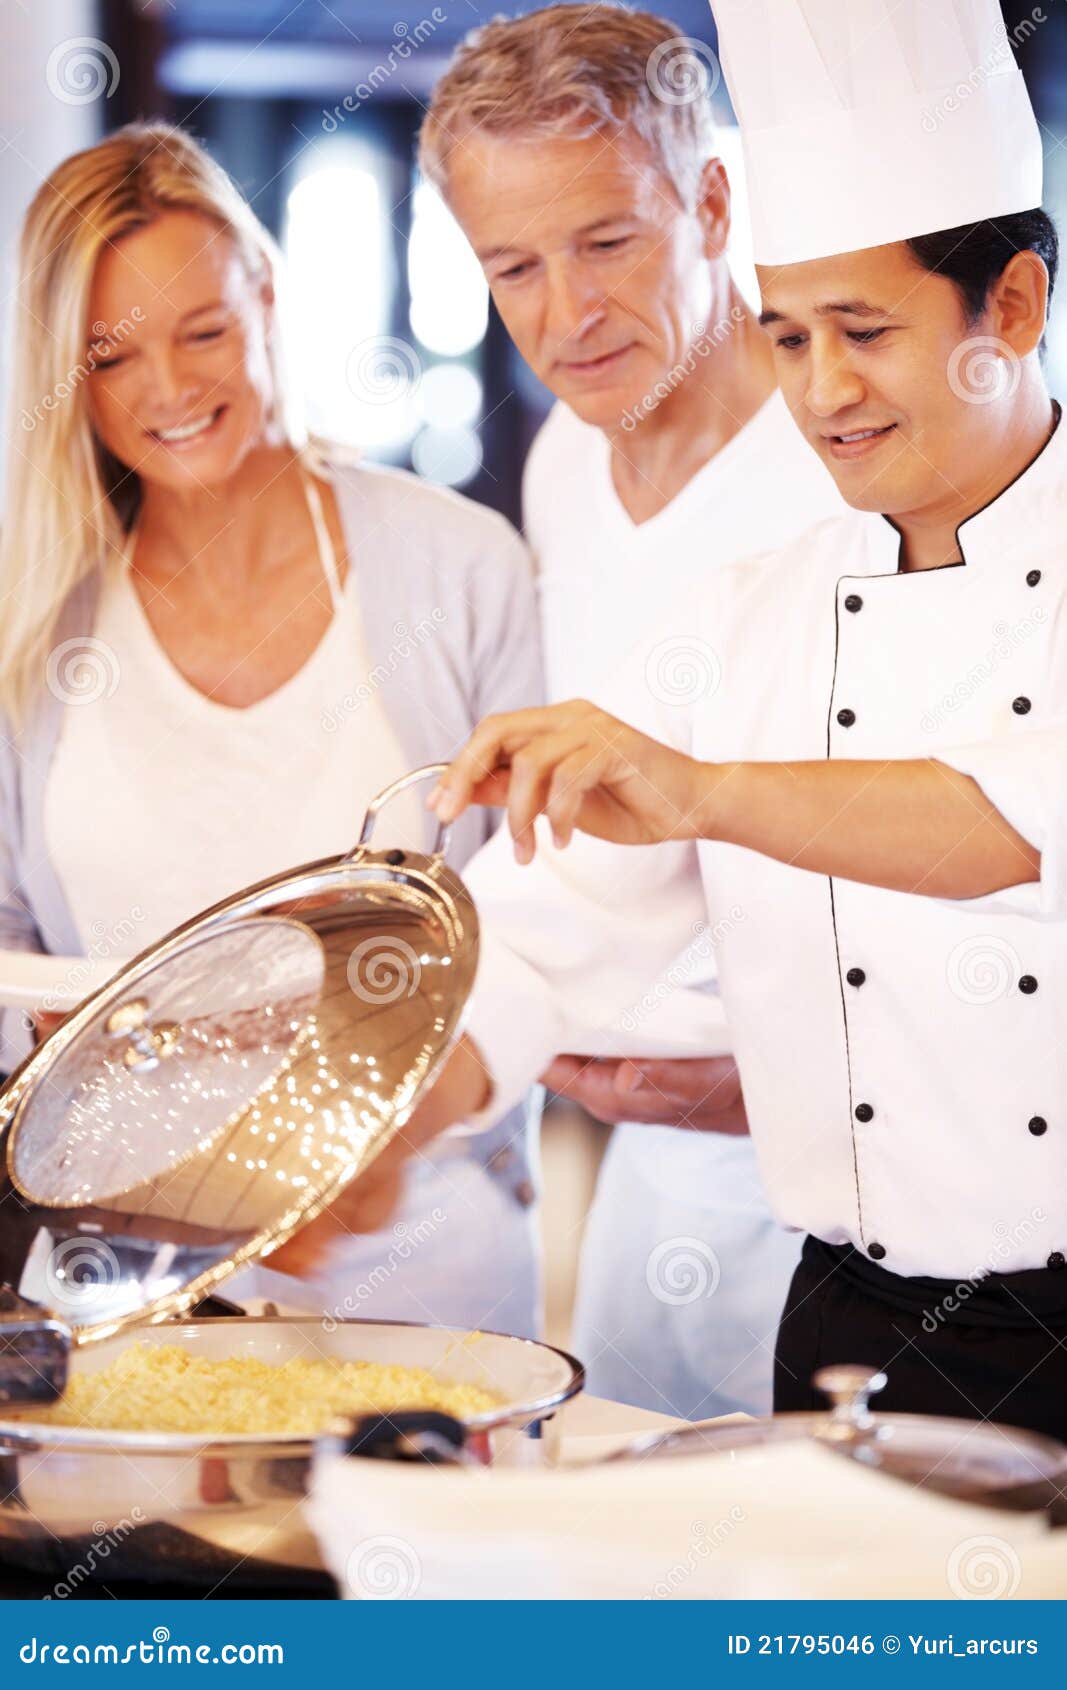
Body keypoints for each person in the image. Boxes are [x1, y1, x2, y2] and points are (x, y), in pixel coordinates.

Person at [283, 0, 1067, 1443]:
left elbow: (1013, 821)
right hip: (837, 1311)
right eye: (786, 335)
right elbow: (545, 913)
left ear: (1007, 309)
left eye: (863, 332)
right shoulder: (748, 607)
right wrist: (368, 1124)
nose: (819, 390)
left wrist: (702, 790)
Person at [0, 121, 543, 1339]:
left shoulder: (458, 565)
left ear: (269, 302)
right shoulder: (32, 619)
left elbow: (533, 911)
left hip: (416, 1253)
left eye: (205, 331)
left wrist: (382, 1124)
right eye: (112, 355)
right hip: (121, 1267)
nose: (174, 390)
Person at [417, 3, 842, 1420]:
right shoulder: (561, 465)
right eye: (512, 268)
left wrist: (760, 1089)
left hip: (861, 1189)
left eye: (605, 242)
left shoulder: (845, 468)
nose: (564, 314)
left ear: (710, 200)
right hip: (646, 1180)